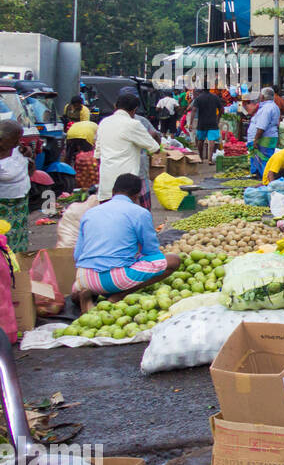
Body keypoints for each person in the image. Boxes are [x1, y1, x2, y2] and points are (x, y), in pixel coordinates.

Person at [72, 173, 181, 314]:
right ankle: (118, 296)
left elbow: (77, 255)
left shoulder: (89, 213)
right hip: (116, 279)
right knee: (173, 261)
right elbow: (151, 251)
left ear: (113, 192)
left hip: (84, 278)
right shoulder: (140, 213)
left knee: (88, 283)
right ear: (136, 196)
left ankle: (85, 294)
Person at [94, 93, 159, 203]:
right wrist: (154, 135)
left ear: (115, 106)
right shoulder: (133, 124)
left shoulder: (104, 123)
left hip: (106, 181)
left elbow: (97, 156)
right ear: (134, 110)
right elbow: (155, 148)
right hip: (127, 184)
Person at [0, 121, 32, 252]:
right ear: (2, 140)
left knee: (19, 236)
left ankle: (18, 265)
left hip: (20, 202)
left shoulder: (17, 150)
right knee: (5, 239)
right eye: (15, 139)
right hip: (4, 206)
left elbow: (29, 169)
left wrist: (28, 157)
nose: (18, 142)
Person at [247, 87, 282, 178]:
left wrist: (255, 140)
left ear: (262, 96)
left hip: (264, 138)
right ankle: (258, 175)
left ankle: (265, 178)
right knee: (261, 158)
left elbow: (262, 126)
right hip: (270, 136)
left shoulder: (267, 108)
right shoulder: (273, 106)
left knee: (263, 159)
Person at [189, 87, 224, 164]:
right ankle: (210, 160)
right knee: (211, 141)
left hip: (202, 122)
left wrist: (190, 123)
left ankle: (201, 158)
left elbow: (193, 110)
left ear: (202, 89)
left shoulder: (198, 98)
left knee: (200, 140)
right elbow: (221, 109)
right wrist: (218, 118)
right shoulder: (215, 97)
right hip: (213, 122)